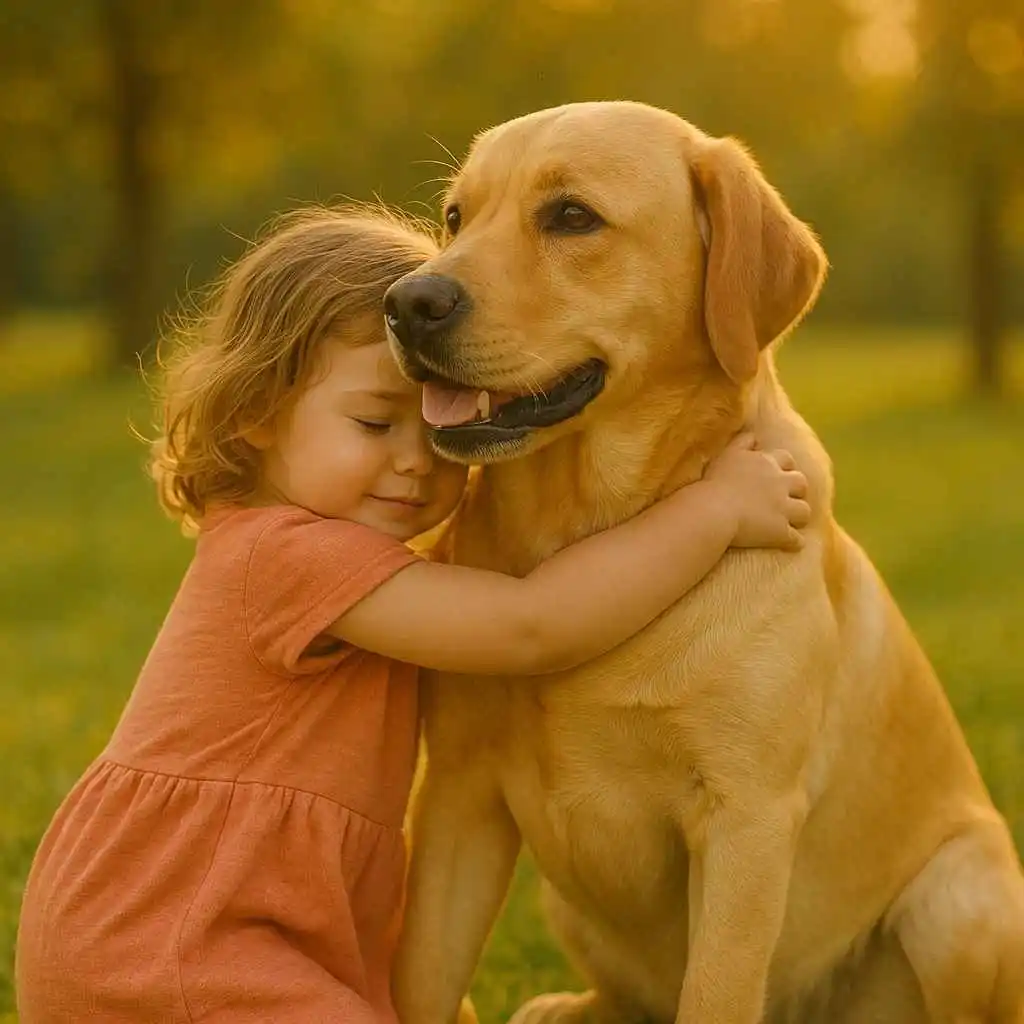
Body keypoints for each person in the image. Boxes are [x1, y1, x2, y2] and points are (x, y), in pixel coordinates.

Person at [15, 207, 810, 1023]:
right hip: (173, 937)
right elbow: (532, 624)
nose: (411, 462)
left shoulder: (340, 558)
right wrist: (710, 514)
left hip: (230, 926)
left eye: (439, 433)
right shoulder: (288, 557)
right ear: (256, 409)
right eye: (373, 423)